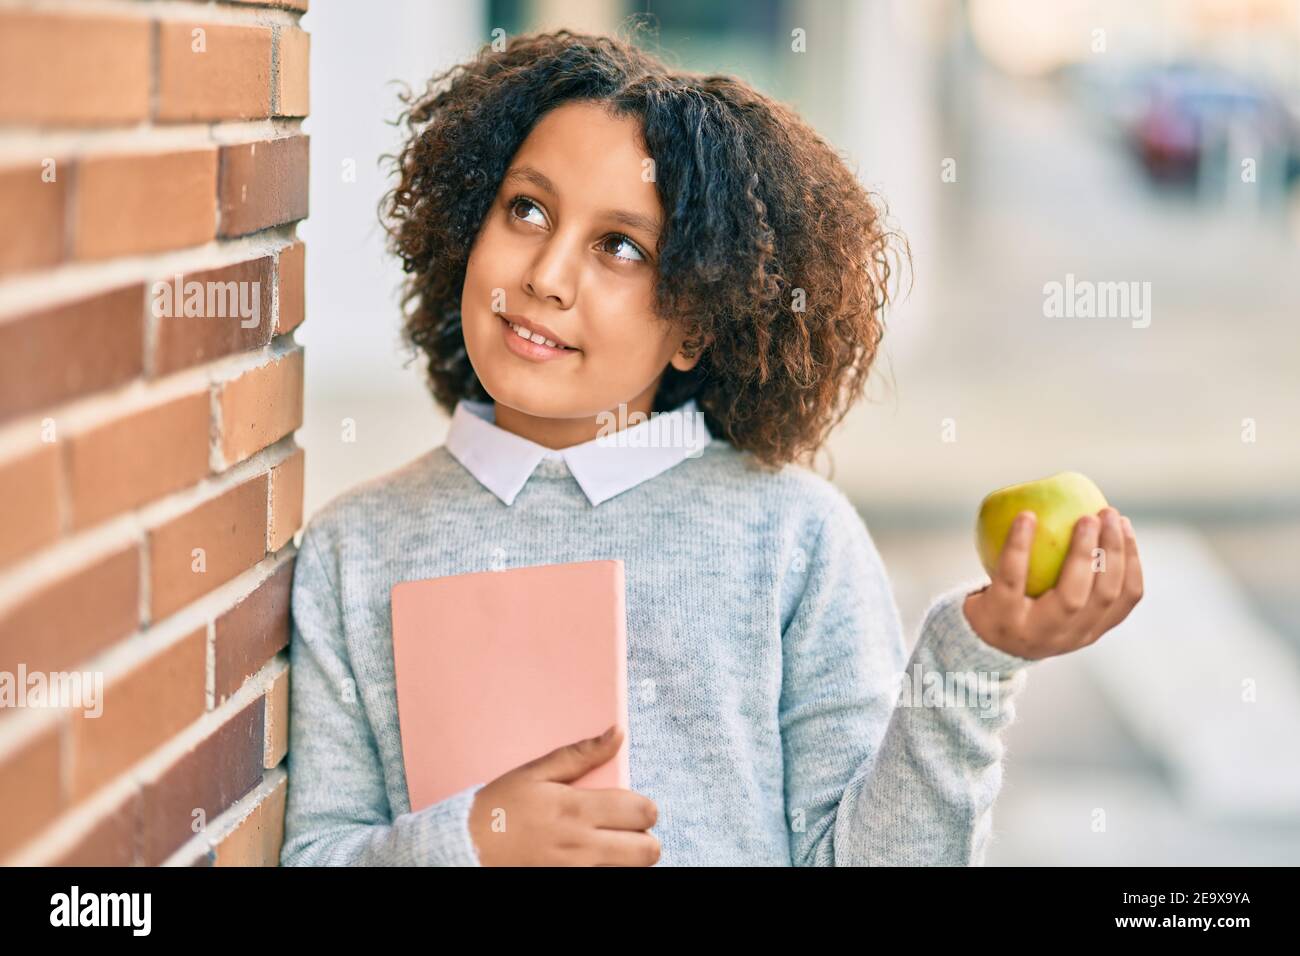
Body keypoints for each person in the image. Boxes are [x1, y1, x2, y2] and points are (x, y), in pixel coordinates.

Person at [279, 28, 1143, 867]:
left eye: (619, 246)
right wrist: (470, 841)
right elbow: (318, 852)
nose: (546, 275)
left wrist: (976, 657)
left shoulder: (795, 537)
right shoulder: (353, 549)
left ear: (695, 319)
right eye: (527, 209)